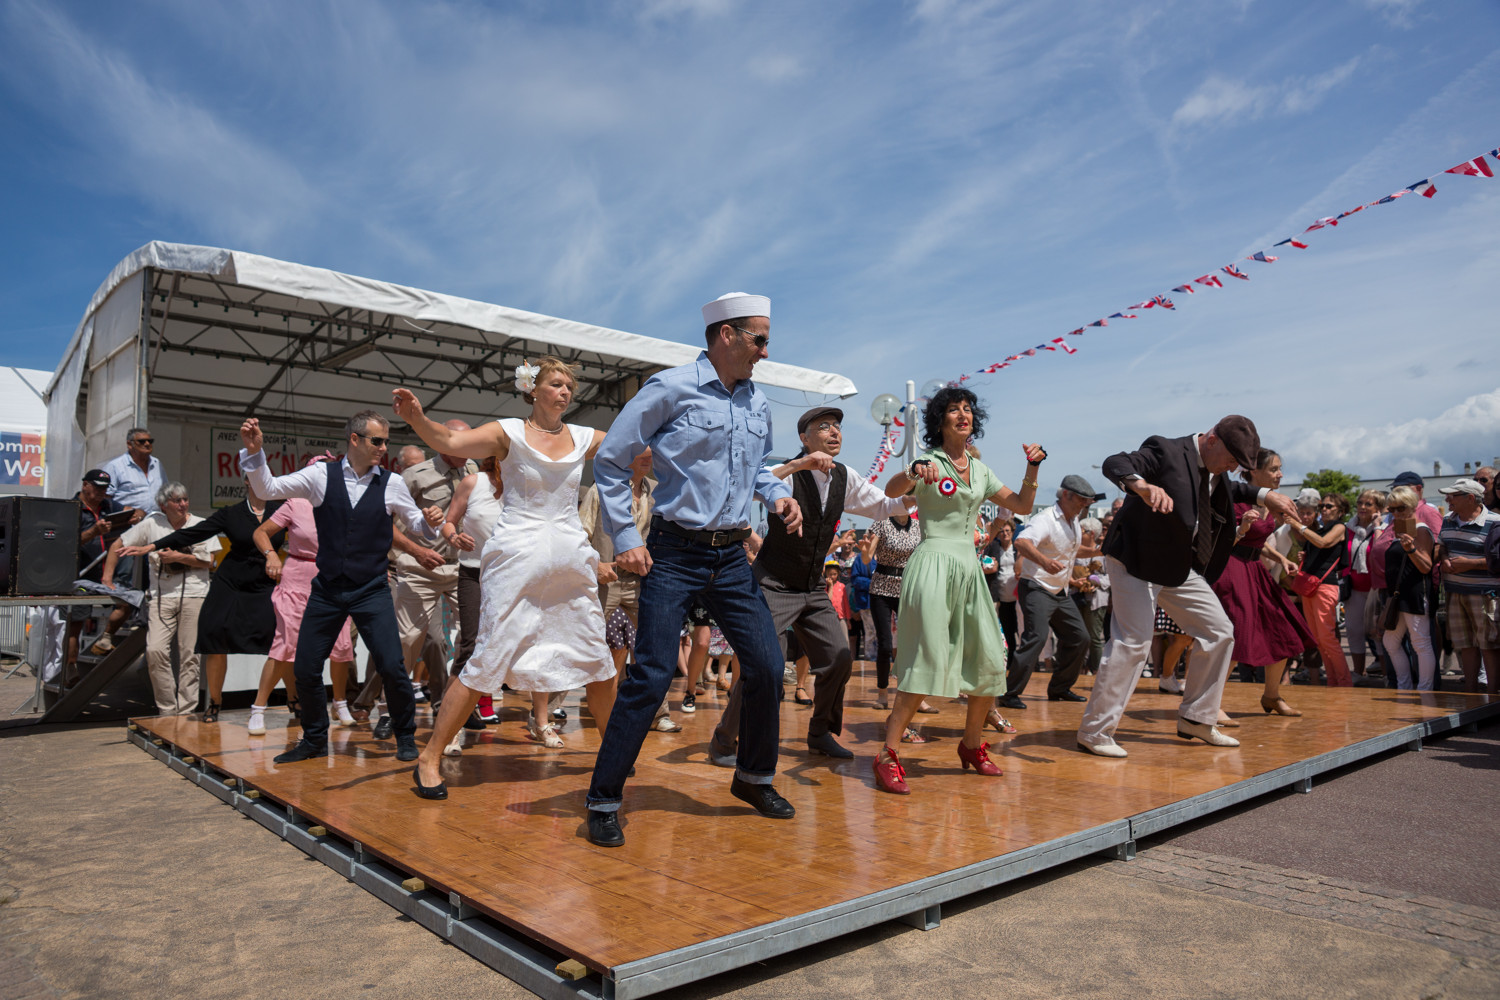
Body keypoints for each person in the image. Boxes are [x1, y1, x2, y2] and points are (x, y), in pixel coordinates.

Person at [583, 292, 804, 847]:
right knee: (653, 674)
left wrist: (778, 495)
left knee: (766, 665)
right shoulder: (669, 387)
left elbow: (758, 469)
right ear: (726, 335)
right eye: (759, 338)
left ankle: (753, 778)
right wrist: (627, 538)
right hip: (674, 552)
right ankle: (604, 799)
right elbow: (610, 461)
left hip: (731, 556)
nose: (766, 351)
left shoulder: (758, 402)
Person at [391, 358, 617, 789]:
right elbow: (449, 438)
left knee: (597, 660)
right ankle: (430, 757)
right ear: (534, 390)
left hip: (570, 562)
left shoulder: (586, 437)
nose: (565, 392)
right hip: (517, 560)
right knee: (485, 660)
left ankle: (613, 758)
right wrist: (417, 417)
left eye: (570, 386)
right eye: (555, 384)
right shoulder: (506, 432)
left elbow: (636, 445)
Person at [1077, 416, 1297, 758]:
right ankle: (1095, 732)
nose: (1233, 468)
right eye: (1231, 459)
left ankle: (1197, 718)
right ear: (1211, 440)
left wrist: (1267, 495)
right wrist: (1142, 486)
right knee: (1133, 643)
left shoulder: (1216, 471)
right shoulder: (1165, 449)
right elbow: (1116, 463)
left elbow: (1235, 489)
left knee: (1220, 631)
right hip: (1134, 561)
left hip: (1177, 566)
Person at [230, 410, 443, 763]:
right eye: (377, 440)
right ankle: (314, 740)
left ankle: (405, 735)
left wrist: (431, 520)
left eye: (386, 441)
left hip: (372, 588)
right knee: (306, 667)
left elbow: (416, 522)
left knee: (392, 665)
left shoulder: (390, 482)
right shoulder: (319, 475)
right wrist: (254, 453)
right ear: (355, 439)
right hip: (328, 589)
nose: (383, 447)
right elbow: (267, 489)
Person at [710, 405, 911, 761]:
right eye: (824, 427)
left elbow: (885, 505)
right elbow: (755, 483)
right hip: (772, 583)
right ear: (804, 438)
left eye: (837, 427)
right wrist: (798, 464)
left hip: (812, 587)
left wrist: (920, 497)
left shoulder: (844, 477)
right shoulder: (786, 474)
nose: (835, 432)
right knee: (762, 665)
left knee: (839, 658)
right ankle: (725, 740)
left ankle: (820, 733)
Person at [872, 384, 1045, 794]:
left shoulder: (980, 470)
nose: (962, 414)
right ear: (941, 420)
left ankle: (971, 745)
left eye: (967, 409)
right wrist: (913, 473)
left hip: (969, 571)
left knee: (989, 657)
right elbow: (892, 492)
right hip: (932, 563)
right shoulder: (927, 462)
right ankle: (887, 754)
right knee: (926, 659)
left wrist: (1033, 466)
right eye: (953, 409)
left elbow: (1020, 505)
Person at [121, 474, 284, 721]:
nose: (260, 481)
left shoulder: (282, 510)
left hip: (264, 583)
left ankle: (286, 701)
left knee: (281, 644)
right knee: (215, 639)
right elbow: (191, 534)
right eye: (254, 477)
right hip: (230, 583)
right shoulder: (231, 513)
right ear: (247, 483)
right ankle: (215, 703)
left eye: (264, 476)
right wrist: (152, 547)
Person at [248, 469, 360, 737]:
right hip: (297, 576)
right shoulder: (295, 503)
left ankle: (340, 703)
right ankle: (258, 708)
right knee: (286, 643)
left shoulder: (344, 504)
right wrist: (271, 555)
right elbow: (261, 532)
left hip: (333, 577)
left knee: (342, 643)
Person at [578, 448, 680, 736]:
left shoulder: (660, 492)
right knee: (585, 643)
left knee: (654, 647)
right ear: (627, 457)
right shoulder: (602, 490)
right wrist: (596, 564)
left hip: (642, 581)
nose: (648, 458)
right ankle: (548, 710)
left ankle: (658, 713)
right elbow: (579, 534)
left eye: (651, 454)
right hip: (606, 580)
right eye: (641, 454)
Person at [1210, 449, 1315, 716]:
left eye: (1280, 468)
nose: (1280, 474)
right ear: (1253, 471)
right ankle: (1209, 704)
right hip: (1231, 569)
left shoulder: (1271, 503)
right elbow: (1222, 543)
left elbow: (1257, 543)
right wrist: (1242, 529)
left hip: (1254, 568)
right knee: (1235, 633)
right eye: (1274, 469)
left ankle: (1272, 696)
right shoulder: (1234, 500)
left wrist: (1281, 558)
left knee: (1282, 628)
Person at [102, 482, 217, 715]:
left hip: (194, 594)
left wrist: (180, 557)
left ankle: (186, 713)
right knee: (155, 651)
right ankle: (167, 710)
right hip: (161, 596)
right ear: (164, 505)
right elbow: (118, 544)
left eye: (185, 499)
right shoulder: (152, 523)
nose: (183, 504)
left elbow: (211, 561)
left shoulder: (199, 525)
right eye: (177, 500)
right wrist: (107, 577)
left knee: (190, 656)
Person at [999, 475, 1102, 709]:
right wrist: (1044, 562)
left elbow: (1073, 552)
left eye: (1087, 502)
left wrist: (1100, 551)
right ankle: (1009, 694)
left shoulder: (1073, 521)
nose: (1084, 506)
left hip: (1058, 591)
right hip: (1036, 586)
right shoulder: (1045, 519)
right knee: (1036, 637)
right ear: (1066, 495)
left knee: (1079, 638)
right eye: (1081, 501)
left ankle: (1059, 688)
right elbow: (1022, 542)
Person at [442, 456, 505, 730]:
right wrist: (454, 537)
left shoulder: (524, 486)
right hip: (474, 573)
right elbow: (449, 523)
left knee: (516, 645)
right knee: (470, 645)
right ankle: (449, 717)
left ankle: (540, 719)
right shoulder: (473, 482)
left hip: (513, 575)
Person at [65, 469, 142, 676]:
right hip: (80, 576)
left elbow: (134, 511)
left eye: (105, 488)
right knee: (76, 622)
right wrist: (93, 532)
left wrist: (134, 516)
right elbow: (65, 545)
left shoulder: (108, 505)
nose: (101, 492)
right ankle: (71, 669)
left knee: (129, 601)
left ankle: (105, 639)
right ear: (85, 485)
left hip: (106, 575)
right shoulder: (71, 509)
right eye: (97, 487)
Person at [1435, 478, 1500, 694]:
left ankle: (1493, 697)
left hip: (1484, 595)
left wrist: (1469, 564)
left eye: (1453, 495)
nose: (1447, 499)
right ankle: (1471, 697)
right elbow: (1443, 545)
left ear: (1470, 498)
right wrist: (1443, 557)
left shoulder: (1495, 521)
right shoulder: (1448, 519)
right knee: (1466, 645)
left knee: (1489, 646)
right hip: (1455, 593)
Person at [1286, 493, 1351, 686]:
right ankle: (1333, 680)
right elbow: (1320, 546)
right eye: (1322, 506)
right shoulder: (1321, 529)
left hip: (1324, 587)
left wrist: (1298, 525)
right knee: (1319, 639)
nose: (1324, 509)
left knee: (1327, 637)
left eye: (1329, 506)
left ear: (1340, 511)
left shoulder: (1339, 527)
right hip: (1312, 587)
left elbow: (1324, 543)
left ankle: (1344, 681)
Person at [1381, 486, 1438, 690]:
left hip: (1415, 593)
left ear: (1412, 506)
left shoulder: (1421, 529)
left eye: (1401, 508)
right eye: (1392, 509)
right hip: (1399, 595)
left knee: (1420, 643)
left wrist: (1411, 548)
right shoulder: (1400, 529)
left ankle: (1425, 689)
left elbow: (1426, 566)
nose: (1396, 513)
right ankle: (1405, 686)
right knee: (1390, 642)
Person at [865, 510, 921, 710]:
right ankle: (882, 693)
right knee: (886, 645)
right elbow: (866, 558)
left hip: (907, 588)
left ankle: (914, 696)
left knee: (912, 645)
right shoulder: (881, 522)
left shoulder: (918, 526)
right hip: (881, 588)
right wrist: (864, 551)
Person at [1345, 489, 1387, 682]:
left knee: (1378, 632)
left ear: (1378, 508)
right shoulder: (1348, 528)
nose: (1362, 507)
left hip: (1375, 589)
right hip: (1354, 587)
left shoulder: (1385, 528)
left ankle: (1388, 674)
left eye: (1368, 504)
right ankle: (1358, 672)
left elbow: (1379, 551)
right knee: (1353, 630)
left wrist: (1377, 525)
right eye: (1360, 503)